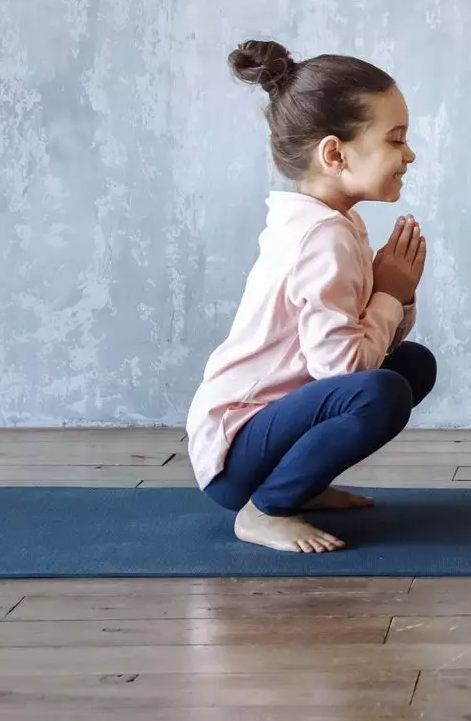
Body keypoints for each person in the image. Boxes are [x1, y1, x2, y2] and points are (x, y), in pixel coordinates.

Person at [185, 40, 436, 552]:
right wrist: (389, 293)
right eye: (395, 140)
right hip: (236, 452)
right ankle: (264, 509)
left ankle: (301, 483)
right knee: (382, 392)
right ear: (335, 153)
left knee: (411, 367)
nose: (409, 154)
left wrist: (396, 298)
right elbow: (345, 374)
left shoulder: (335, 223)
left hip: (269, 428)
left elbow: (358, 347)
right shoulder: (323, 239)